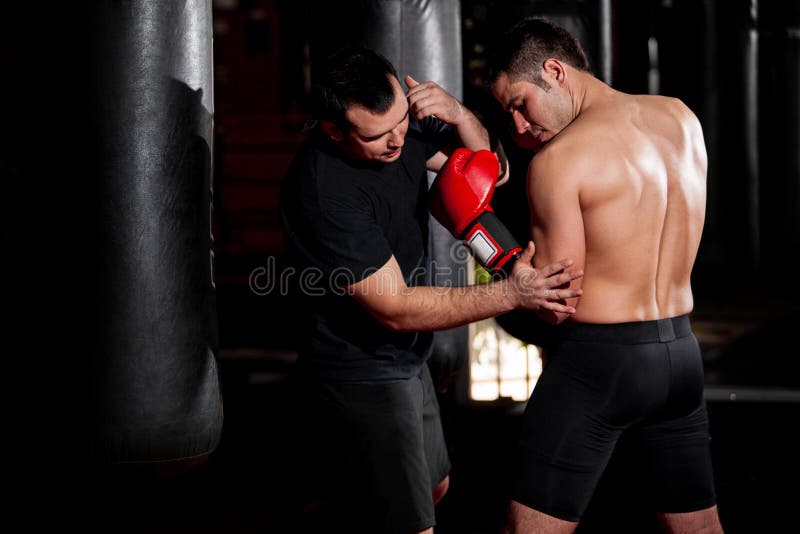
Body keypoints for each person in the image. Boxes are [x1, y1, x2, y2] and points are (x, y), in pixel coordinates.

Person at [278, 44, 584, 534]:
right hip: (360, 366)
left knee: (435, 486)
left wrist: (460, 115)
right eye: (379, 135)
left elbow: (490, 171)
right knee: (411, 522)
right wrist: (513, 293)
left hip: (405, 354)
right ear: (335, 130)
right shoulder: (323, 191)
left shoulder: (404, 126)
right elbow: (396, 308)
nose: (399, 139)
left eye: (403, 119)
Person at [488, 17, 724, 533]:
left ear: (555, 70)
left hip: (599, 365)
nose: (520, 128)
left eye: (519, 105)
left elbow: (555, 301)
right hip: (681, 356)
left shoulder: (559, 160)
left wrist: (482, 240)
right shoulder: (681, 118)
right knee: (701, 529)